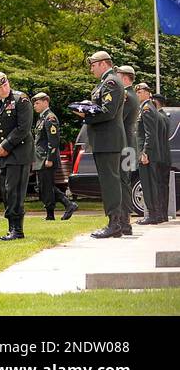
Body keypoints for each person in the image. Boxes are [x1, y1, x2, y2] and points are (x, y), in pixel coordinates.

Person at [75, 50, 129, 238]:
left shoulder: (111, 82)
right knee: (109, 181)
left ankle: (115, 223)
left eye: (93, 65)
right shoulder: (106, 82)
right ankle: (116, 224)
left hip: (108, 140)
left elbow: (108, 111)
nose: (91, 69)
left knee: (110, 182)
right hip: (105, 140)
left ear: (103, 64)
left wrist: (86, 114)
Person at [0, 72, 34, 241]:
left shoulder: (21, 99)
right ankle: (11, 228)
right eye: (0, 86)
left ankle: (17, 229)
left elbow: (23, 128)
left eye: (6, 84)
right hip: (3, 154)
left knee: (15, 191)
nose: (5, 88)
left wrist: (5, 145)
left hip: (19, 153)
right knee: (6, 191)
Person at [31, 92, 76, 220]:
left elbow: (53, 140)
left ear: (46, 102)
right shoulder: (41, 118)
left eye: (37, 102)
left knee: (46, 187)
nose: (35, 105)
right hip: (40, 158)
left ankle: (61, 208)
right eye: (34, 103)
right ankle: (65, 206)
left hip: (46, 158)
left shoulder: (50, 118)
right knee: (43, 187)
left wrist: (49, 159)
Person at [136, 83, 169, 224]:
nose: (137, 94)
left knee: (149, 184)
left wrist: (145, 152)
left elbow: (150, 134)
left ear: (146, 93)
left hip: (148, 154)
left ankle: (152, 215)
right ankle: (156, 215)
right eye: (136, 91)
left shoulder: (147, 108)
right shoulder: (150, 108)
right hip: (151, 154)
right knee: (152, 184)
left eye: (139, 91)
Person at [118, 65, 143, 226]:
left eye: (118, 75)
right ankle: (124, 220)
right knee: (124, 181)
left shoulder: (128, 96)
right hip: (129, 146)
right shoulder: (130, 95)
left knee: (123, 182)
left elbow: (119, 117)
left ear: (125, 78)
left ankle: (125, 221)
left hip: (126, 146)